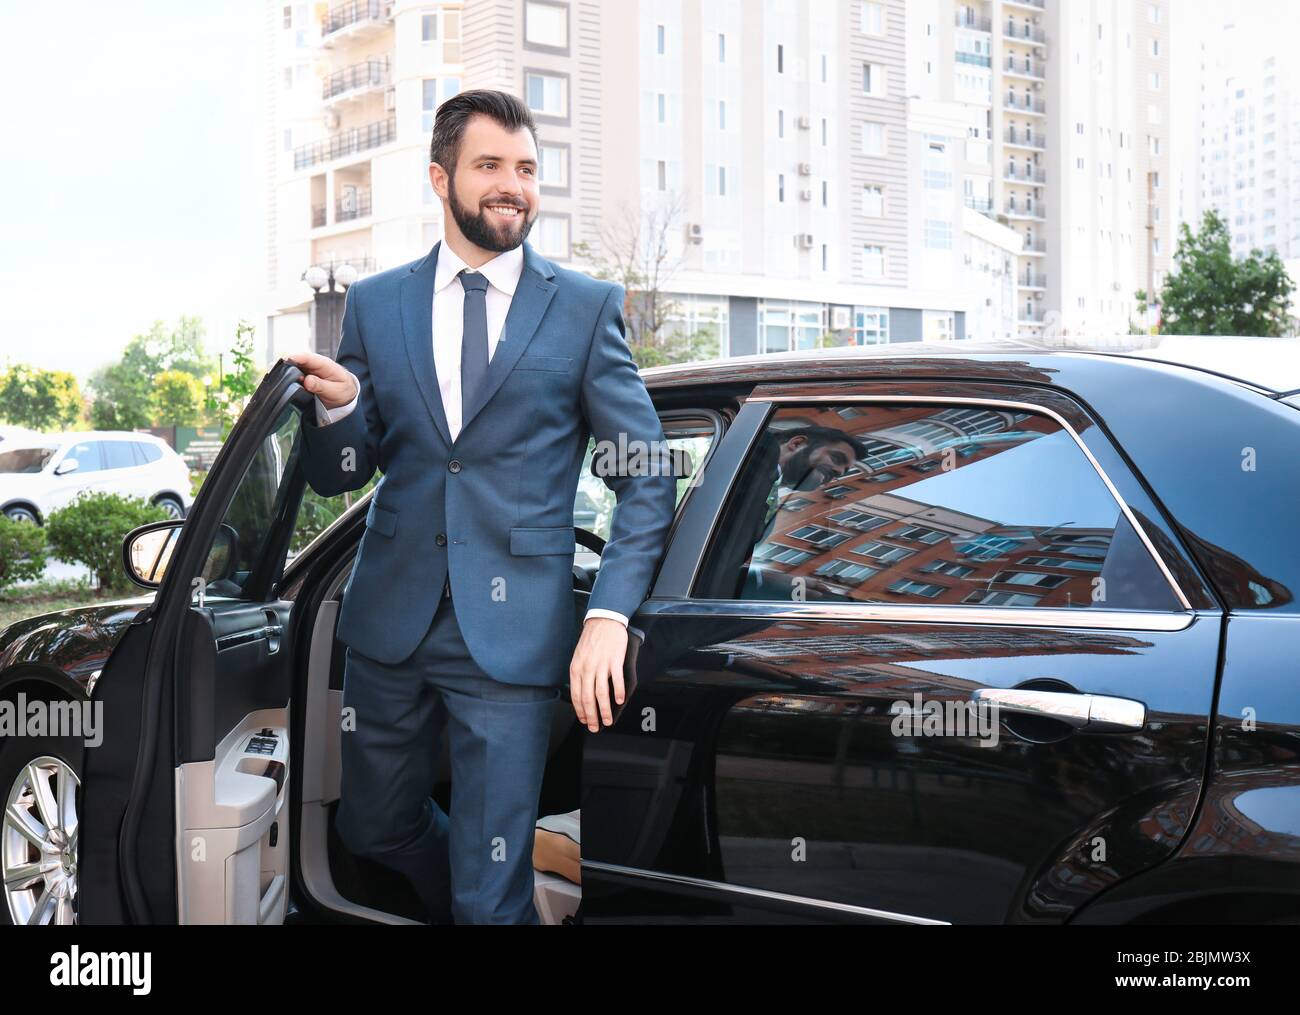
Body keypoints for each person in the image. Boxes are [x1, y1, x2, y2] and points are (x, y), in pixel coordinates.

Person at [288, 89, 677, 925]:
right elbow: (341, 475)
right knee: (370, 825)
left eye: (528, 168)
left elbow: (647, 475)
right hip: (388, 624)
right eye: (491, 165)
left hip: (514, 640)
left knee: (487, 882)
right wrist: (339, 409)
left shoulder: (584, 308)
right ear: (441, 178)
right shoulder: (377, 303)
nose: (514, 185)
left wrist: (608, 613)